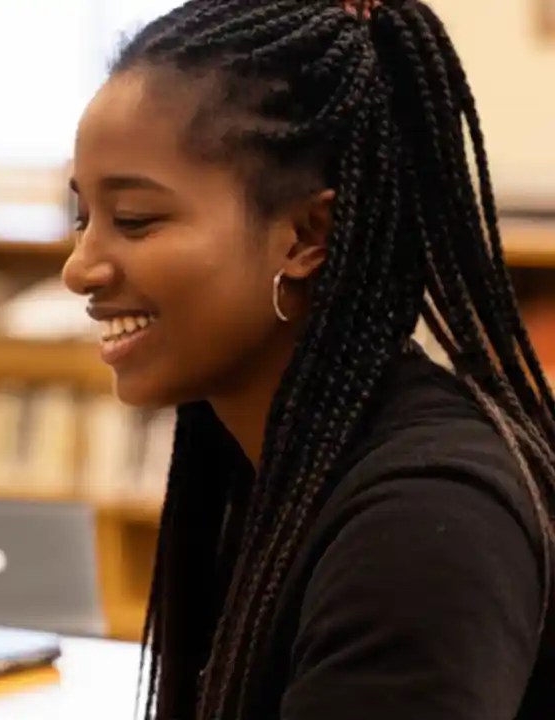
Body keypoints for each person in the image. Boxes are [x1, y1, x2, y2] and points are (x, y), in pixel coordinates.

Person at [61, 0, 554, 718]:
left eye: (134, 220)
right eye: (83, 218)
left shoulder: (423, 524)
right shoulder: (272, 466)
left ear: (304, 235)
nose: (80, 267)